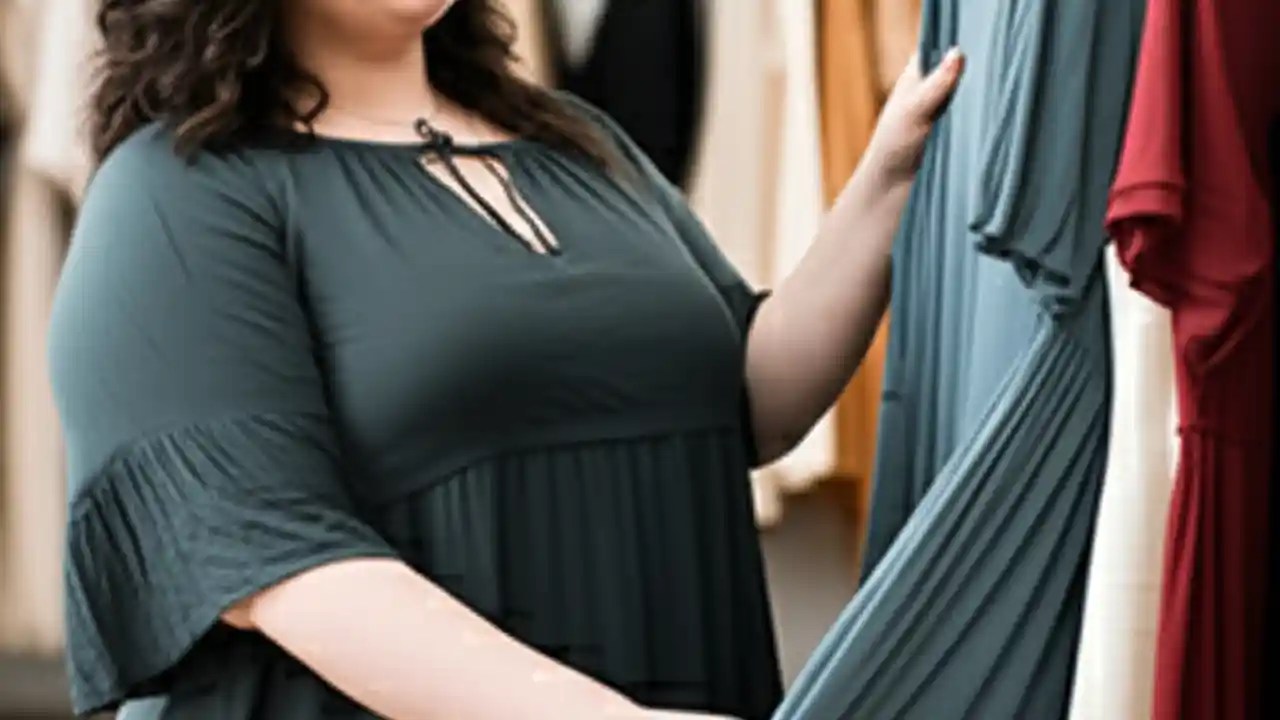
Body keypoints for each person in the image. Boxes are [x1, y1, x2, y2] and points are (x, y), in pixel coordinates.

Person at [48, 1, 962, 718]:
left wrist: (890, 177)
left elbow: (747, 399)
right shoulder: (179, 194)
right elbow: (267, 562)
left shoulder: (575, 142)